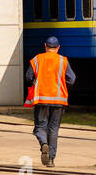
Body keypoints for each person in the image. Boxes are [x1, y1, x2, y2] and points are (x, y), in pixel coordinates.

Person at [26, 36, 75, 167]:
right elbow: (72, 79)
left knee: (40, 127)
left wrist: (34, 83)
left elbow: (28, 77)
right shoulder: (63, 61)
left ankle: (44, 144)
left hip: (41, 99)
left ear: (45, 46)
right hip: (59, 100)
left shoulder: (37, 59)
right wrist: (62, 85)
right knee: (54, 129)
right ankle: (51, 160)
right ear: (58, 48)